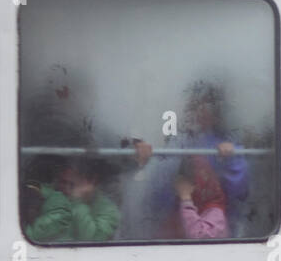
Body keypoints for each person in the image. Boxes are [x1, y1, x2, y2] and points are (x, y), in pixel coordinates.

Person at [129, 80, 249, 238]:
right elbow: (156, 193)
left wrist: (231, 157)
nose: (199, 110)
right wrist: (145, 154)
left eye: (207, 106)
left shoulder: (226, 141)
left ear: (217, 111)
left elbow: (240, 193)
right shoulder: (178, 141)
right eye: (195, 104)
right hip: (176, 225)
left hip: (215, 227)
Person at [24, 156, 120, 243]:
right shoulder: (48, 194)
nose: (65, 188)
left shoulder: (108, 210)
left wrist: (79, 203)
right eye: (62, 182)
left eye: (71, 184)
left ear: (91, 183)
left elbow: (93, 241)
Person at [175, 156, 228, 239]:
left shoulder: (215, 211)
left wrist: (186, 198)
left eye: (193, 180)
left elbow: (199, 237)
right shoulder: (179, 206)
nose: (185, 185)